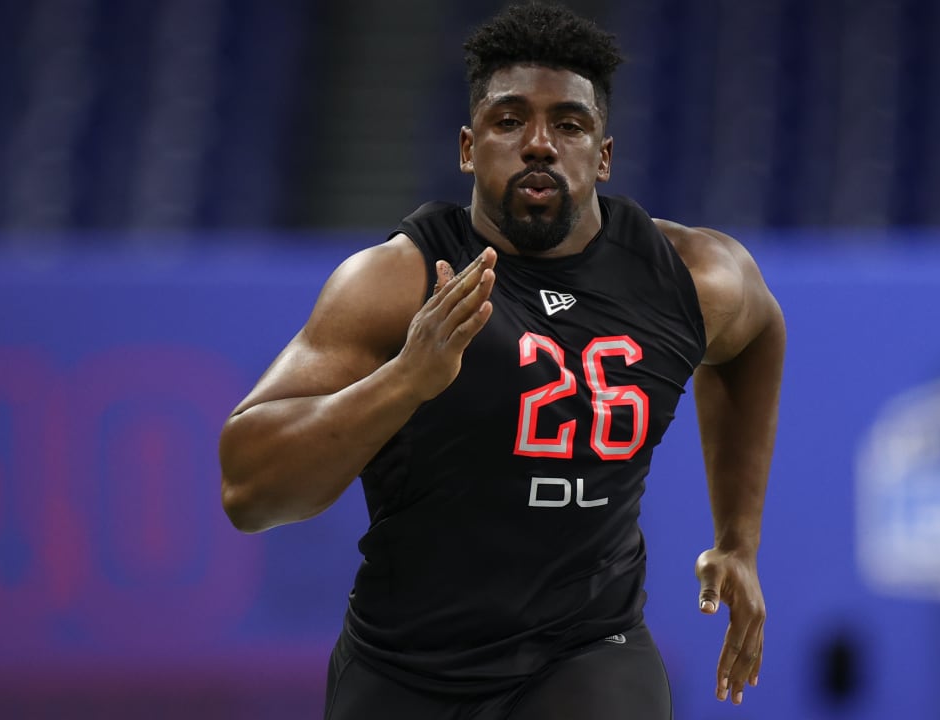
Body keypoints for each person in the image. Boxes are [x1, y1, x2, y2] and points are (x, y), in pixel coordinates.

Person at [218, 3, 784, 718]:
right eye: (510, 120)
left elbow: (757, 337)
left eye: (569, 124)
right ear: (468, 146)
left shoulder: (692, 275)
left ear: (603, 155)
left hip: (588, 648)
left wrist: (738, 539)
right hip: (406, 662)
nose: (539, 144)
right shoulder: (398, 282)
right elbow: (249, 492)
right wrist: (403, 382)